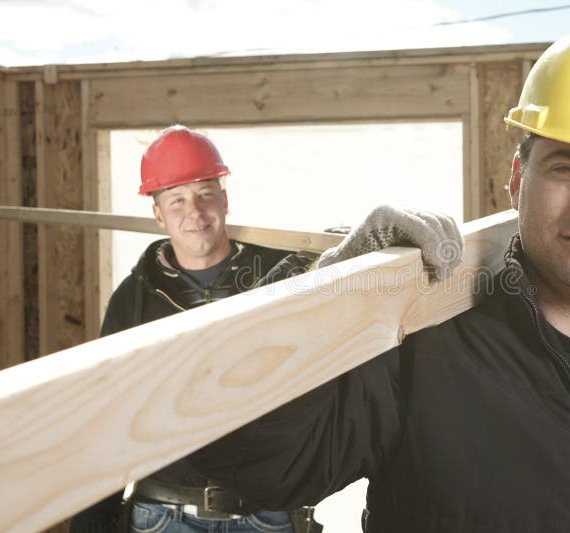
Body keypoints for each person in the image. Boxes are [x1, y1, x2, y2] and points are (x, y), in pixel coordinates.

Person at [186, 19, 570, 533]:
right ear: (517, 181)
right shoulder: (418, 353)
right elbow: (247, 458)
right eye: (566, 167)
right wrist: (328, 295)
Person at [70, 125, 462, 533]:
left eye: (206, 194)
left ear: (224, 197)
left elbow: (331, 298)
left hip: (266, 515)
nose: (196, 212)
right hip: (167, 515)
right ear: (157, 212)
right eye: (177, 200)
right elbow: (107, 424)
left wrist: (373, 251)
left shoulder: (276, 273)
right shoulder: (134, 300)